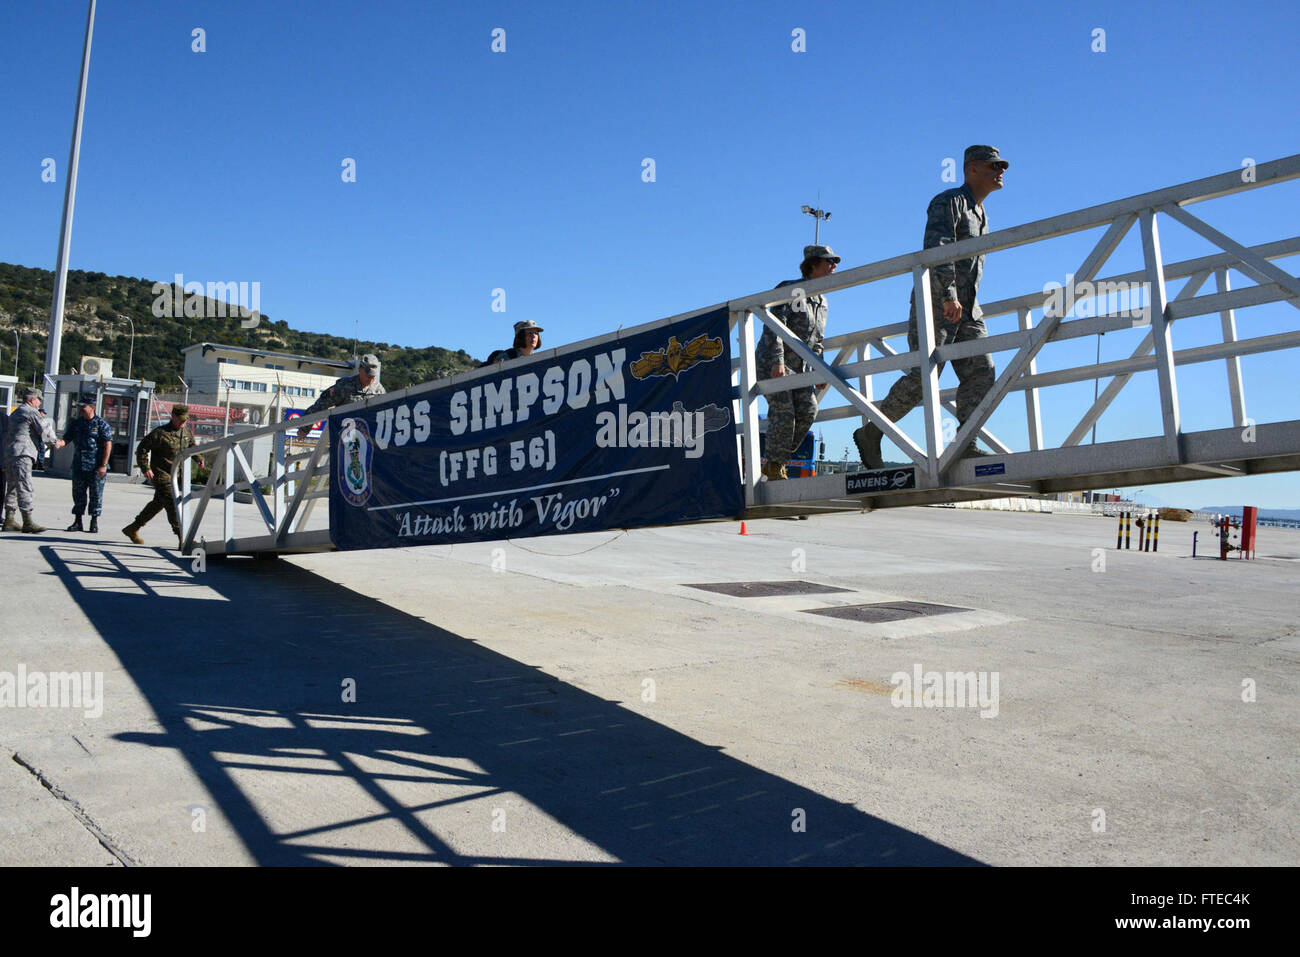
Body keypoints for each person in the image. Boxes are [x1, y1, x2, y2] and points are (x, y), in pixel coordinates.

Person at [854, 145, 1007, 469]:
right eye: (993, 165)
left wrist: (963, 302)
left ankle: (965, 442)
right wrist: (948, 294)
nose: (1000, 171)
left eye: (1002, 166)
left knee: (982, 370)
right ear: (972, 169)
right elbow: (936, 250)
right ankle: (872, 433)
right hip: (939, 301)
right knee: (926, 374)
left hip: (968, 310)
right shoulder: (948, 202)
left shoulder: (981, 215)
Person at [756, 244, 839, 480]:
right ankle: (774, 465)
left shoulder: (823, 303)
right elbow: (774, 326)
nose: (834, 266)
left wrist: (820, 372)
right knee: (784, 413)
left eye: (835, 262)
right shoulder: (791, 290)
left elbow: (817, 343)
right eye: (829, 261)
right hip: (773, 363)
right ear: (813, 264)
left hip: (801, 370)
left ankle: (777, 458)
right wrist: (777, 360)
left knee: (810, 410)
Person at [123, 404, 196, 549]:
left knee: (158, 503)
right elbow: (142, 449)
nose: (183, 423)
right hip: (161, 474)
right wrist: (145, 468)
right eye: (180, 420)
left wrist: (199, 459)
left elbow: (192, 446)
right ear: (173, 417)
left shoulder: (186, 432)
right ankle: (183, 537)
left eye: (185, 420)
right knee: (172, 503)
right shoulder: (160, 433)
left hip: (176, 475)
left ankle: (132, 528)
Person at [3, 388, 66, 533]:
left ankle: (9, 519)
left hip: (10, 454)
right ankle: (28, 521)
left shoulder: (16, 412)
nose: (40, 403)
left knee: (12, 486)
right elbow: (44, 429)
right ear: (32, 400)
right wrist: (56, 442)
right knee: (25, 485)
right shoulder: (31, 412)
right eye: (39, 400)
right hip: (23, 454)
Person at [296, 353, 385, 438]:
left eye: (373, 376)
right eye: (368, 375)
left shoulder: (379, 391)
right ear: (360, 369)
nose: (371, 379)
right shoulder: (344, 385)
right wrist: (305, 428)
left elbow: (385, 415)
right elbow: (321, 404)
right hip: (343, 434)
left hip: (367, 436)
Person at [62, 397, 113, 534]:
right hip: (79, 465)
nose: (80, 410)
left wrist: (103, 465)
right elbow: (67, 438)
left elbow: (107, 444)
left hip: (96, 467)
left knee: (96, 494)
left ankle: (94, 522)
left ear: (92, 407)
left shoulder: (101, 424)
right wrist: (59, 443)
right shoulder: (77, 423)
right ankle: (78, 522)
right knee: (78, 494)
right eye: (79, 408)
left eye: (83, 408)